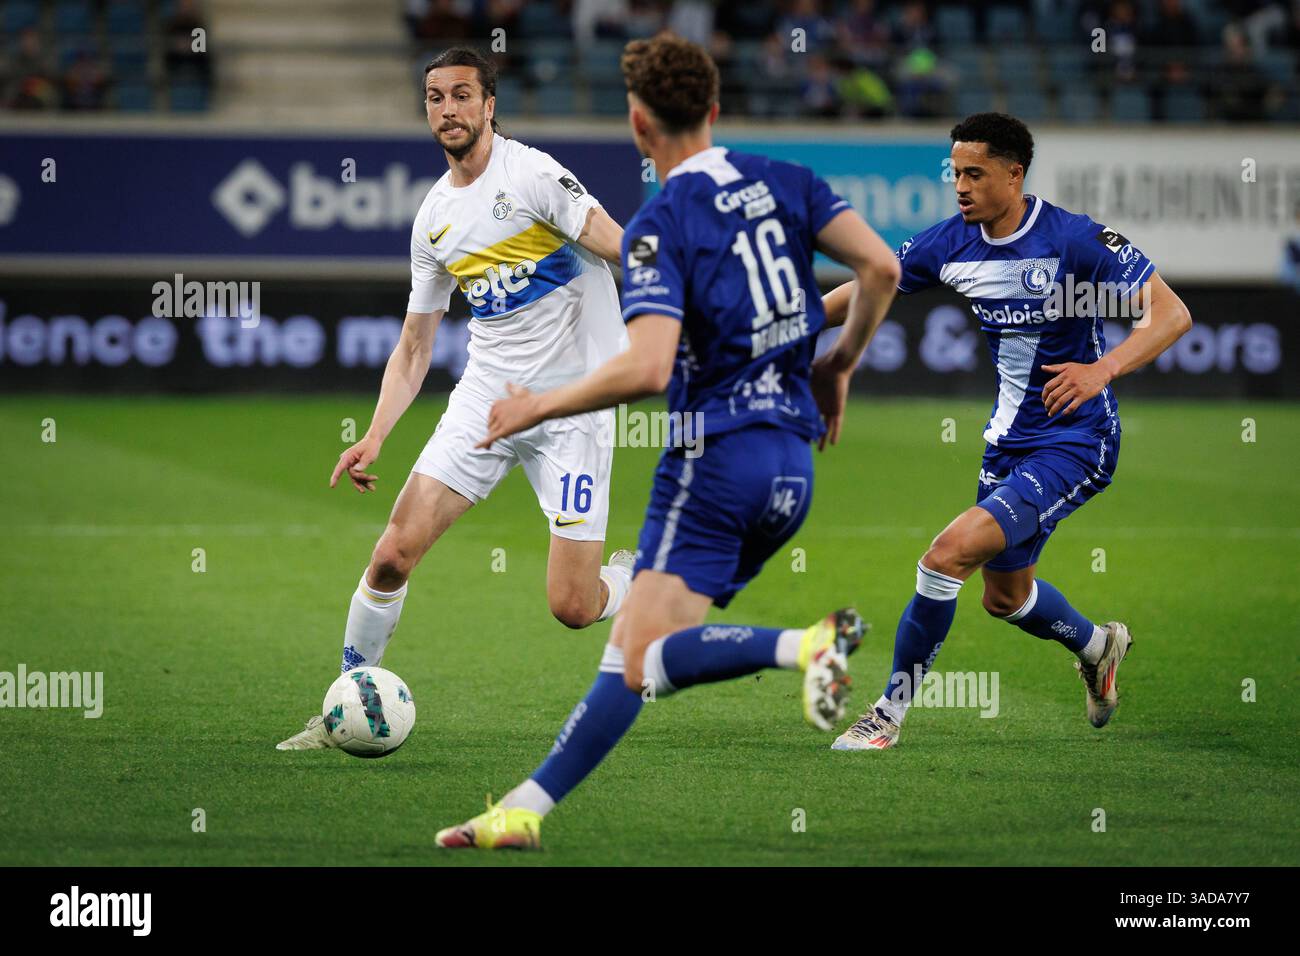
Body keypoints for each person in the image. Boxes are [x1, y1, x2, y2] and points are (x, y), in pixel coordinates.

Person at [434, 34, 900, 849]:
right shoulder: (787, 181)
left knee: (635, 660)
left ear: (638, 124)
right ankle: (524, 811)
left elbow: (648, 367)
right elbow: (880, 271)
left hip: (714, 461)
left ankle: (807, 644)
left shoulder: (660, 225)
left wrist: (539, 404)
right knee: (652, 652)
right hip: (793, 467)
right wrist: (840, 367)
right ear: (715, 110)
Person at [277, 47, 635, 750]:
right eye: (435, 98)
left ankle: (631, 580)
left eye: (462, 95)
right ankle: (340, 706)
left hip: (574, 408)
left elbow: (616, 243)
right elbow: (414, 347)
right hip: (485, 404)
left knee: (571, 607)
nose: (448, 110)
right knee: (391, 555)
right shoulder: (435, 218)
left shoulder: (532, 174)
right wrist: (375, 435)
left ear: (489, 105)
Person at [823, 113, 1193, 751]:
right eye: (955, 174)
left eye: (975, 174)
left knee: (945, 557)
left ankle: (886, 714)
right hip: (1008, 442)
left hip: (1075, 439)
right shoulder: (949, 242)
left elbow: (1172, 313)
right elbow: (872, 285)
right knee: (1005, 598)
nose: (960, 187)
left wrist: (1101, 369)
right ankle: (1099, 647)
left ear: (1014, 174)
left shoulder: (1074, 240)